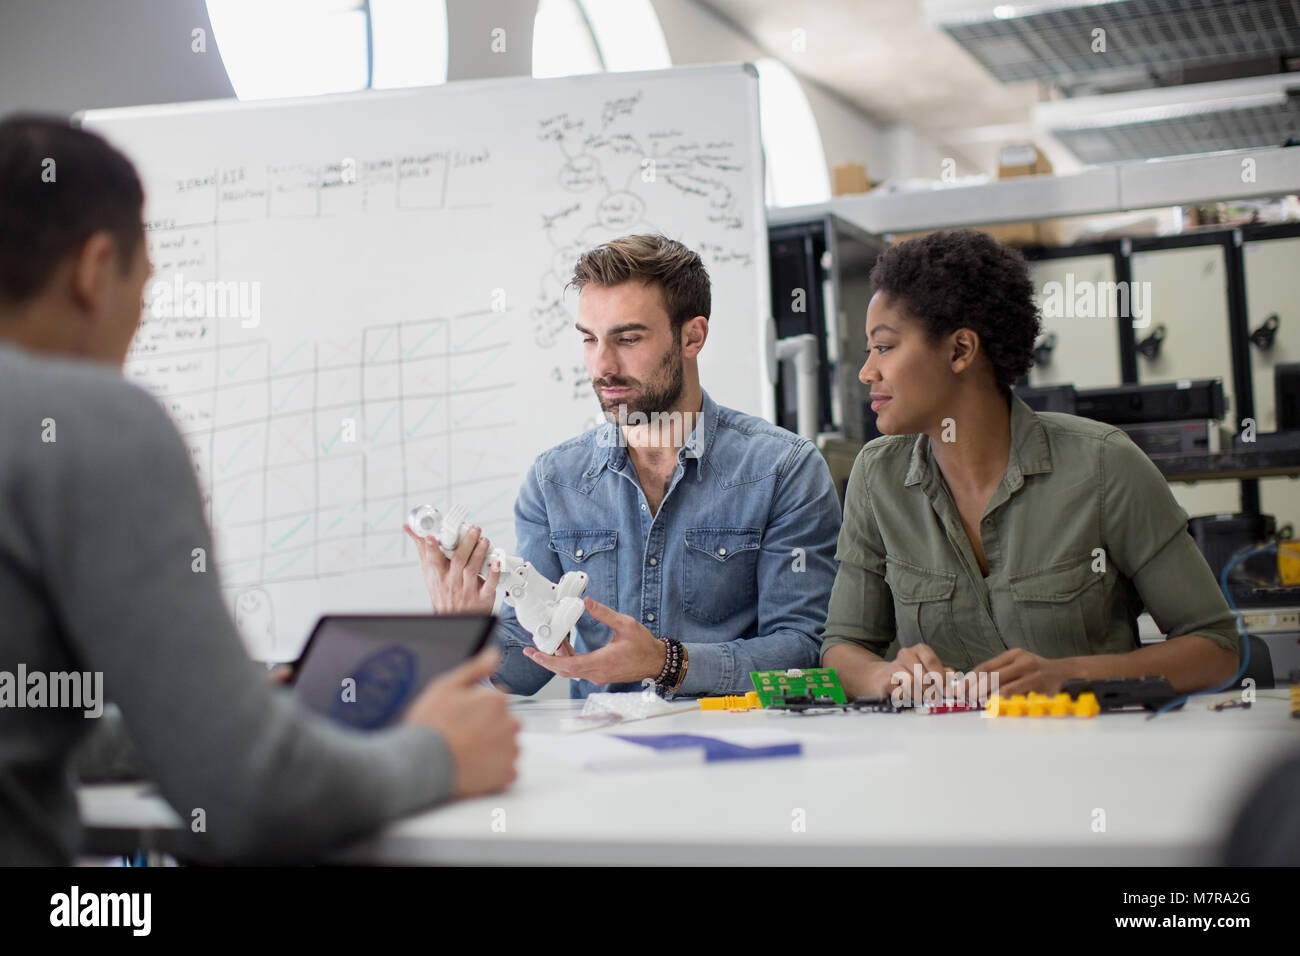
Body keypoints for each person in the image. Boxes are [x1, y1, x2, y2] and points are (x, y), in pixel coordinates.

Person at [0, 115, 519, 865]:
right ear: (95, 268)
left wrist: (232, 718)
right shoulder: (89, 423)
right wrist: (436, 752)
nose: (139, 322)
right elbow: (251, 798)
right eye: (144, 289)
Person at [408, 235, 841, 698]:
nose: (603, 366)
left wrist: (667, 663)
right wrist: (467, 632)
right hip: (604, 759)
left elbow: (802, 653)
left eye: (628, 339)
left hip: (736, 752)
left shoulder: (783, 470)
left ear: (692, 336)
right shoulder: (553, 481)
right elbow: (530, 667)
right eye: (589, 340)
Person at [821, 229, 1239, 702]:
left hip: (1093, 760)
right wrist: (886, 677)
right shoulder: (878, 476)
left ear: (960, 350)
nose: (867, 372)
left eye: (885, 347)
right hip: (942, 765)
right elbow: (843, 647)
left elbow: (1216, 648)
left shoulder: (1104, 466)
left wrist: (1069, 676)